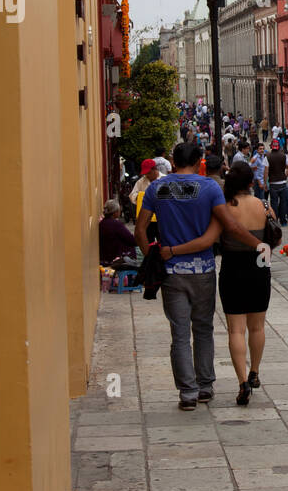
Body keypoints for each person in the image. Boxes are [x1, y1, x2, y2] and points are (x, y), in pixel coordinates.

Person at [134, 143, 264, 410]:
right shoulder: (210, 188)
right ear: (199, 161)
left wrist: (153, 257)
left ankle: (187, 392)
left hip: (171, 273)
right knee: (203, 329)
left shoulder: (156, 188)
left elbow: (140, 229)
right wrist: (257, 243)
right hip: (202, 270)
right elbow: (229, 225)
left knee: (179, 333)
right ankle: (205, 385)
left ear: (172, 160)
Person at [206, 162, 276, 406]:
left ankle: (242, 381)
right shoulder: (264, 205)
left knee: (236, 329)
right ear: (250, 182)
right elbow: (274, 236)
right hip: (259, 265)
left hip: (232, 266)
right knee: (257, 326)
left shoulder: (224, 208)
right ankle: (255, 371)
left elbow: (213, 237)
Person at [99, 199, 139, 265]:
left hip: (105, 255)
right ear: (115, 212)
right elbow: (132, 240)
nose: (120, 211)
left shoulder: (102, 223)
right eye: (119, 210)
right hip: (115, 256)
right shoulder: (116, 224)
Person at [267, 141, 288, 225]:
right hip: (283, 181)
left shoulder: (267, 157)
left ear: (271, 146)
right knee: (283, 202)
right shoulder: (284, 156)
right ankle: (283, 221)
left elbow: (266, 171)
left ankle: (275, 220)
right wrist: (285, 174)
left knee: (274, 203)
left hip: (273, 182)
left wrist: (265, 182)